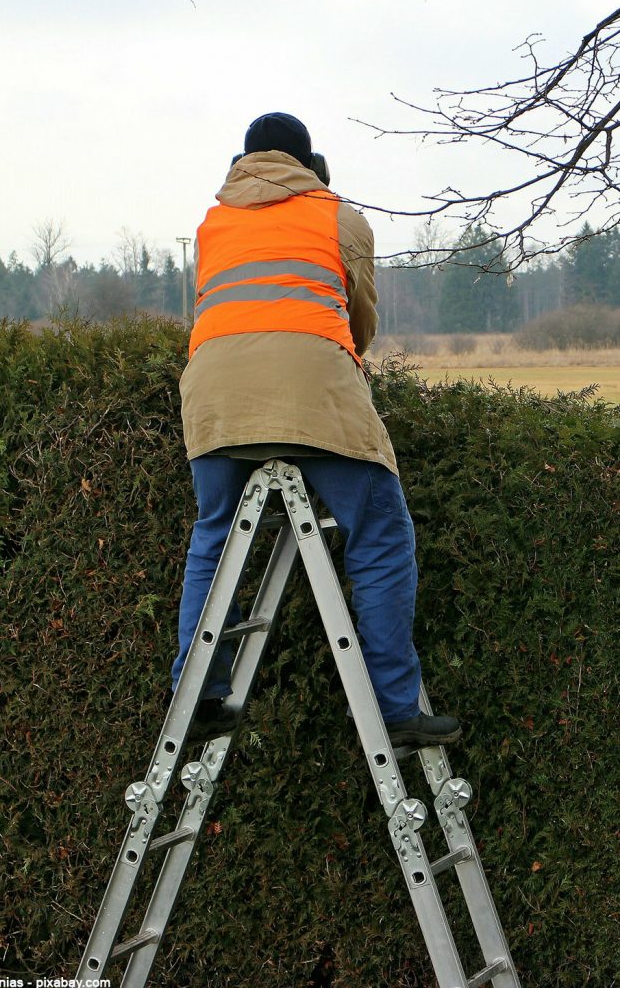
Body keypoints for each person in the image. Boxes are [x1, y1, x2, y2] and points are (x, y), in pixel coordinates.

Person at [171, 112, 461, 748]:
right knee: (379, 535)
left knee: (212, 536)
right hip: (315, 391)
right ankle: (396, 708)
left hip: (214, 396)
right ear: (310, 164)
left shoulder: (212, 223)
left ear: (242, 162)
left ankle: (197, 698)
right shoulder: (338, 216)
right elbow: (360, 323)